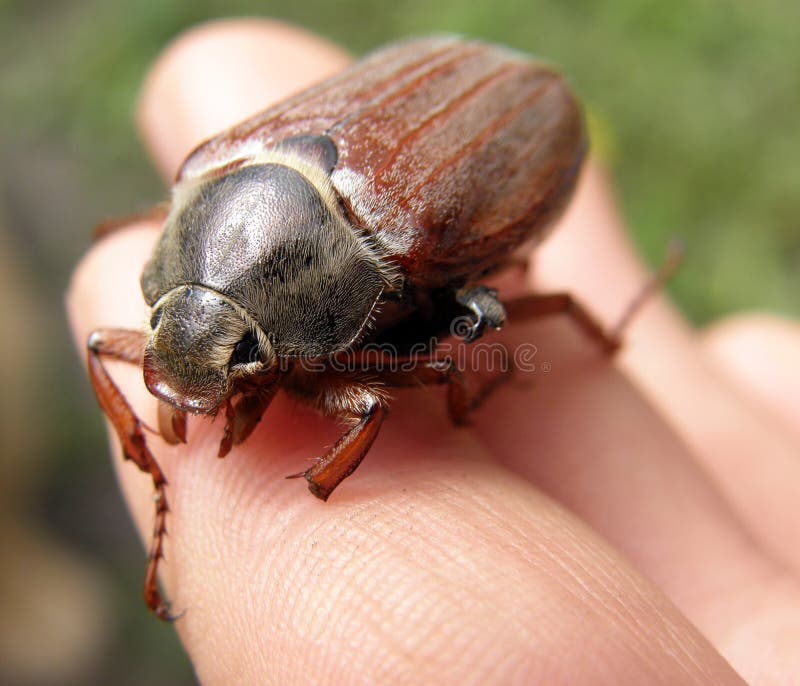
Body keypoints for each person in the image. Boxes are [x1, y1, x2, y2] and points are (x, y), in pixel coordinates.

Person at [67, 19, 800, 685]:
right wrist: (155, 468)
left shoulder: (390, 246)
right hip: (407, 89)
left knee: (461, 346)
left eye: (241, 361)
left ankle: (549, 367)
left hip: (510, 132)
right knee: (108, 341)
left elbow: (380, 401)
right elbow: (109, 344)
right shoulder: (212, 173)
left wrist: (327, 483)